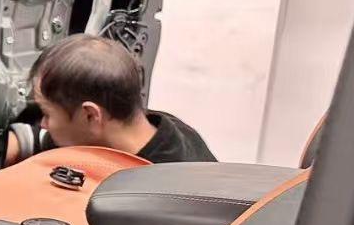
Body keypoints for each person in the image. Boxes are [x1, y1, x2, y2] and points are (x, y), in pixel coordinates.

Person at [29, 34, 215, 164]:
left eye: (47, 114)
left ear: (91, 115)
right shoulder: (157, 126)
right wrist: (20, 141)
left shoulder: (154, 194)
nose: (43, 124)